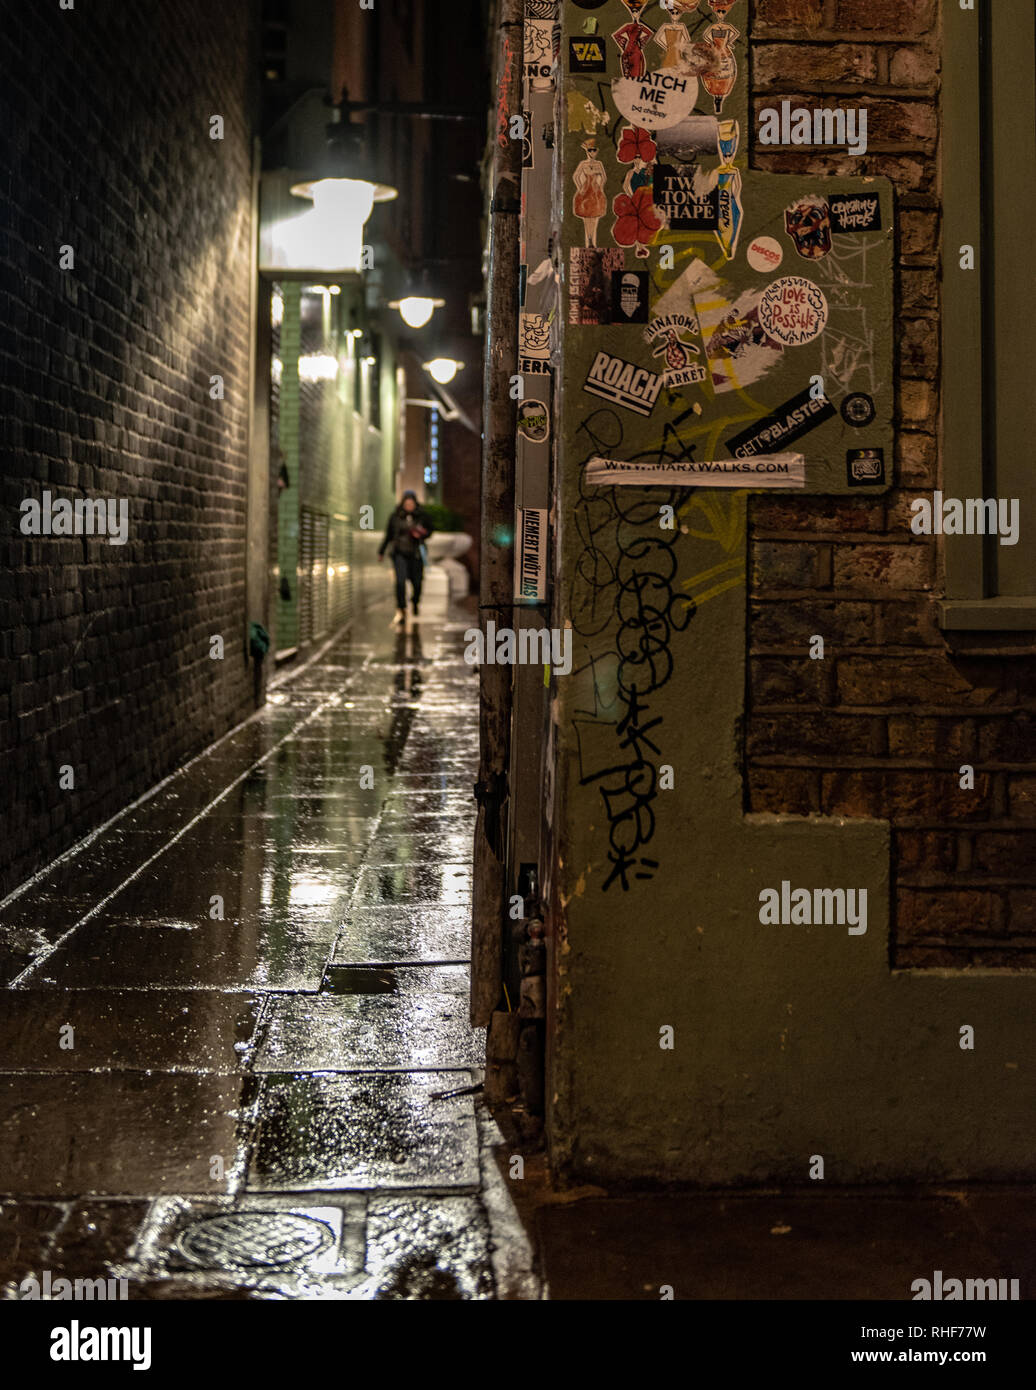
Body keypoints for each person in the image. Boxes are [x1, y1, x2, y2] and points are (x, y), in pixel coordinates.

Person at [378, 490, 433, 625]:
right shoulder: (395, 516)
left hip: (416, 554)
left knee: (417, 582)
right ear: (403, 504)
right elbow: (389, 535)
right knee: (400, 582)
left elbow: (430, 530)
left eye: (411, 504)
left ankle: (415, 601)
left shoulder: (422, 516)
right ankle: (402, 608)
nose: (409, 506)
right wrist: (381, 551)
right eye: (407, 504)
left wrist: (421, 533)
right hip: (399, 553)